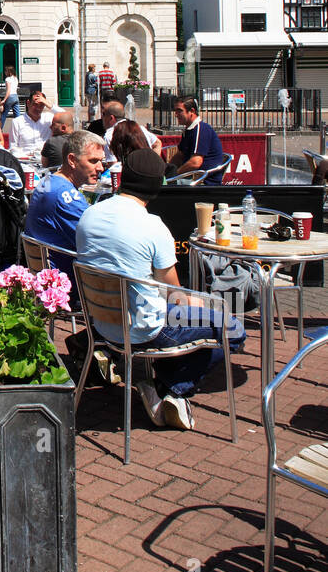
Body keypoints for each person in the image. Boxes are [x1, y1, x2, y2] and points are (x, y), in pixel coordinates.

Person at [75, 149, 246, 430]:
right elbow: (175, 296)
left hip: (103, 325)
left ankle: (162, 383)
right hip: (146, 329)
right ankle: (172, 386)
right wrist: (210, 304)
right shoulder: (152, 226)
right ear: (156, 187)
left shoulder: (89, 215)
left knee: (207, 317)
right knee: (232, 328)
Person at [25, 129, 106, 278]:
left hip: (50, 275)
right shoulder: (64, 196)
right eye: (93, 161)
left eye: (102, 161)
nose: (101, 168)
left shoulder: (48, 181)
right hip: (69, 281)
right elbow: (96, 242)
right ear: (72, 160)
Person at [168, 97, 227, 184]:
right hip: (192, 177)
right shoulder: (189, 129)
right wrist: (166, 170)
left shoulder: (201, 129)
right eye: (175, 111)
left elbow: (195, 162)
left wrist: (174, 175)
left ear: (192, 111)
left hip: (203, 181)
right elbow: (180, 155)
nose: (176, 114)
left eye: (179, 111)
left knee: (160, 185)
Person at [9, 89, 61, 156]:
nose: (38, 108)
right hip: (26, 161)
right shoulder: (17, 122)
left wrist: (49, 105)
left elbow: (67, 117)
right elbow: (13, 147)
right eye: (35, 104)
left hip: (46, 159)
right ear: (28, 103)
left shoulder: (49, 119)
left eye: (41, 105)